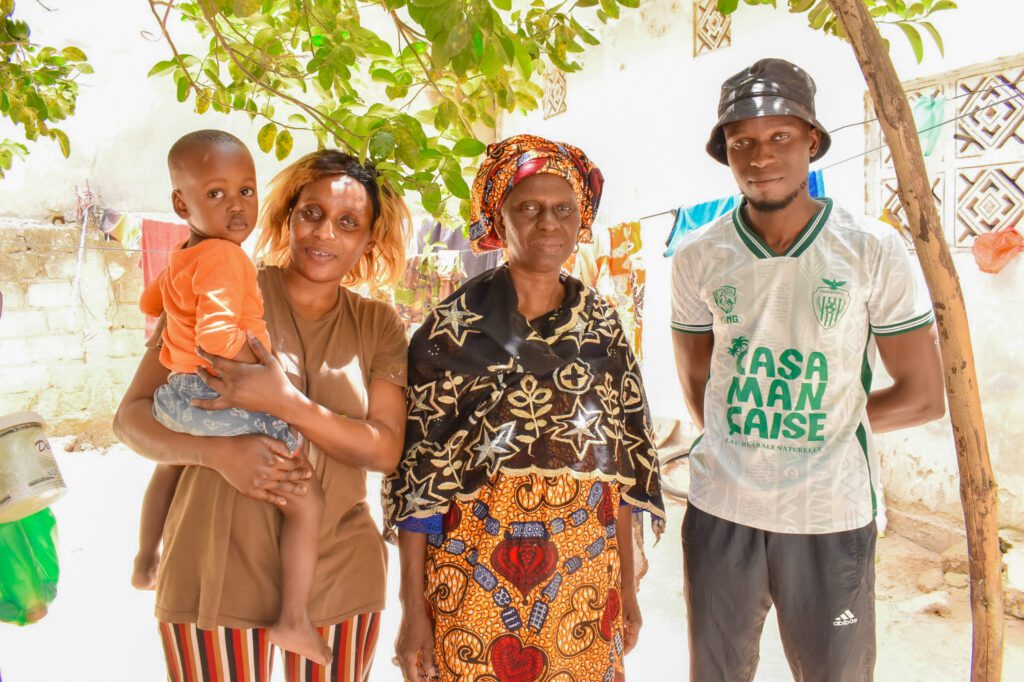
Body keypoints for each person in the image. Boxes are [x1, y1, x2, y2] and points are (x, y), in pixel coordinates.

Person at [670, 58, 946, 682]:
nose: (760, 156)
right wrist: (750, 433)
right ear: (726, 152)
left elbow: (925, 395)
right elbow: (698, 383)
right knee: (715, 673)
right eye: (742, 142)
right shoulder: (697, 255)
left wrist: (820, 425)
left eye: (780, 138)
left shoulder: (870, 249)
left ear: (812, 142)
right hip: (722, 509)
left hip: (828, 512)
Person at [114, 148, 410, 681]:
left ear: (368, 240)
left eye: (348, 223)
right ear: (288, 217)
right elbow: (131, 419)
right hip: (212, 565)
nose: (324, 234)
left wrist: (284, 403)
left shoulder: (378, 324)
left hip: (340, 571)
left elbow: (385, 449)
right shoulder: (224, 287)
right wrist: (216, 452)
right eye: (311, 213)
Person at [385, 135, 665, 682]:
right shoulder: (450, 329)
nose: (547, 223)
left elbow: (623, 467)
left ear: (581, 219)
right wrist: (412, 609)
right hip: (471, 574)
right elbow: (418, 477)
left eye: (564, 209)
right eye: (528, 208)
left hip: (584, 578)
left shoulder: (602, 325)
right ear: (499, 216)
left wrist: (627, 589)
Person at [131, 129, 329, 664]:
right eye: (216, 194)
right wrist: (261, 373)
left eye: (246, 190)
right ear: (181, 201)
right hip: (219, 388)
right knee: (306, 499)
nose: (237, 206)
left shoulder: (185, 254)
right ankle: (293, 618)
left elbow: (156, 302)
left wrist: (180, 316)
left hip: (177, 392)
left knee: (168, 464)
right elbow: (217, 337)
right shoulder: (228, 258)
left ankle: (147, 558)